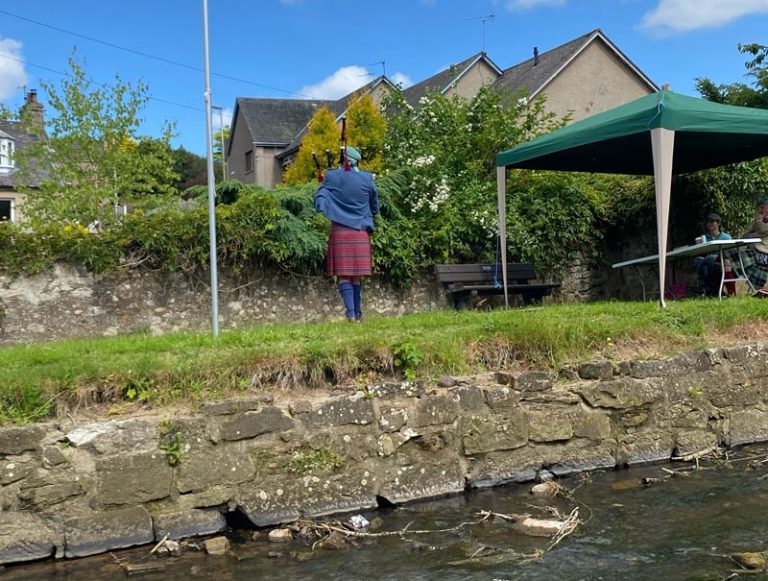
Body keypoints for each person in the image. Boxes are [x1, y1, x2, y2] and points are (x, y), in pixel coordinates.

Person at [314, 146, 379, 321]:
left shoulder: (332, 176)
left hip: (340, 230)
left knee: (344, 275)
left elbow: (321, 195)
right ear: (357, 160)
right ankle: (358, 314)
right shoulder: (367, 178)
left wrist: (322, 206)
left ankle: (351, 314)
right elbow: (375, 206)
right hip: (360, 231)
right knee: (356, 276)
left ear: (343, 159)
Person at [694, 212, 733, 297]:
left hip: (721, 262)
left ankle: (707, 289)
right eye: (708, 222)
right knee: (701, 261)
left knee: (710, 261)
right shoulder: (704, 238)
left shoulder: (726, 237)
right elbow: (700, 253)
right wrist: (698, 246)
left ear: (718, 223)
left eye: (712, 222)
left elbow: (731, 253)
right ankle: (711, 290)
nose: (709, 224)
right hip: (707, 262)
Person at [739, 197, 768, 297]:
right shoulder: (756, 226)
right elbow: (744, 237)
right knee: (731, 254)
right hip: (757, 262)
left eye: (765, 209)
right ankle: (730, 292)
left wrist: (760, 225)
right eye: (761, 210)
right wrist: (754, 235)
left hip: (764, 263)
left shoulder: (761, 225)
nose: (764, 212)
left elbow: (763, 230)